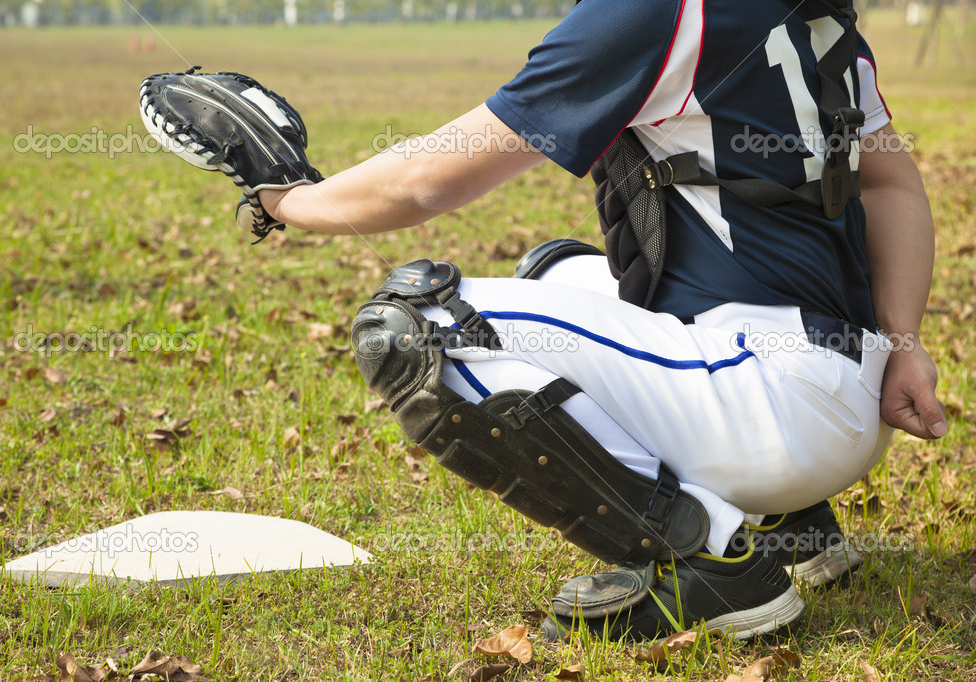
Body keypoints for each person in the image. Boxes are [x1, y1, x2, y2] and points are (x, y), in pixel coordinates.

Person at [144, 0, 947, 641]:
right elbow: (889, 189)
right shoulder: (818, 14)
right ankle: (792, 529)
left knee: (418, 328)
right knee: (554, 271)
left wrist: (289, 197)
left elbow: (427, 181)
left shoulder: (660, 11)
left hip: (772, 408)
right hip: (848, 385)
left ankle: (711, 561)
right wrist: (904, 341)